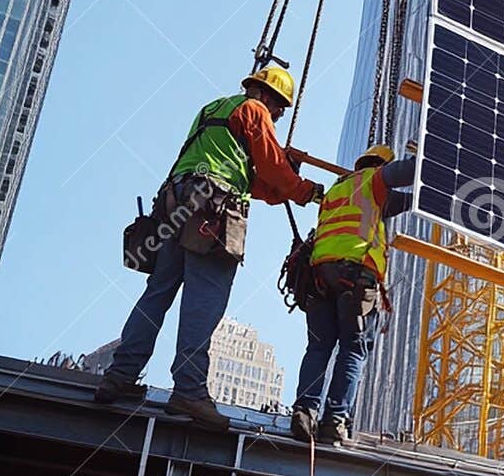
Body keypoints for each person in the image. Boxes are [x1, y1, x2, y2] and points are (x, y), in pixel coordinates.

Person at [95, 67, 323, 431]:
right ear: (268, 97)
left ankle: (120, 375)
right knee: (205, 299)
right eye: (280, 109)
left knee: (158, 292)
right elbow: (270, 166)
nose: (278, 117)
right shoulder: (254, 111)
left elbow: (258, 181)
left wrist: (287, 185)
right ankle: (189, 389)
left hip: (176, 203)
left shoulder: (213, 109)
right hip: (211, 209)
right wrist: (306, 190)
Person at [291, 143, 415, 446]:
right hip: (356, 277)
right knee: (353, 350)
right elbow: (412, 173)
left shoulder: (337, 189)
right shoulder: (375, 180)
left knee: (318, 349)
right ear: (380, 166)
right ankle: (335, 420)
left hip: (319, 279)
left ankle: (305, 410)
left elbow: (399, 202)